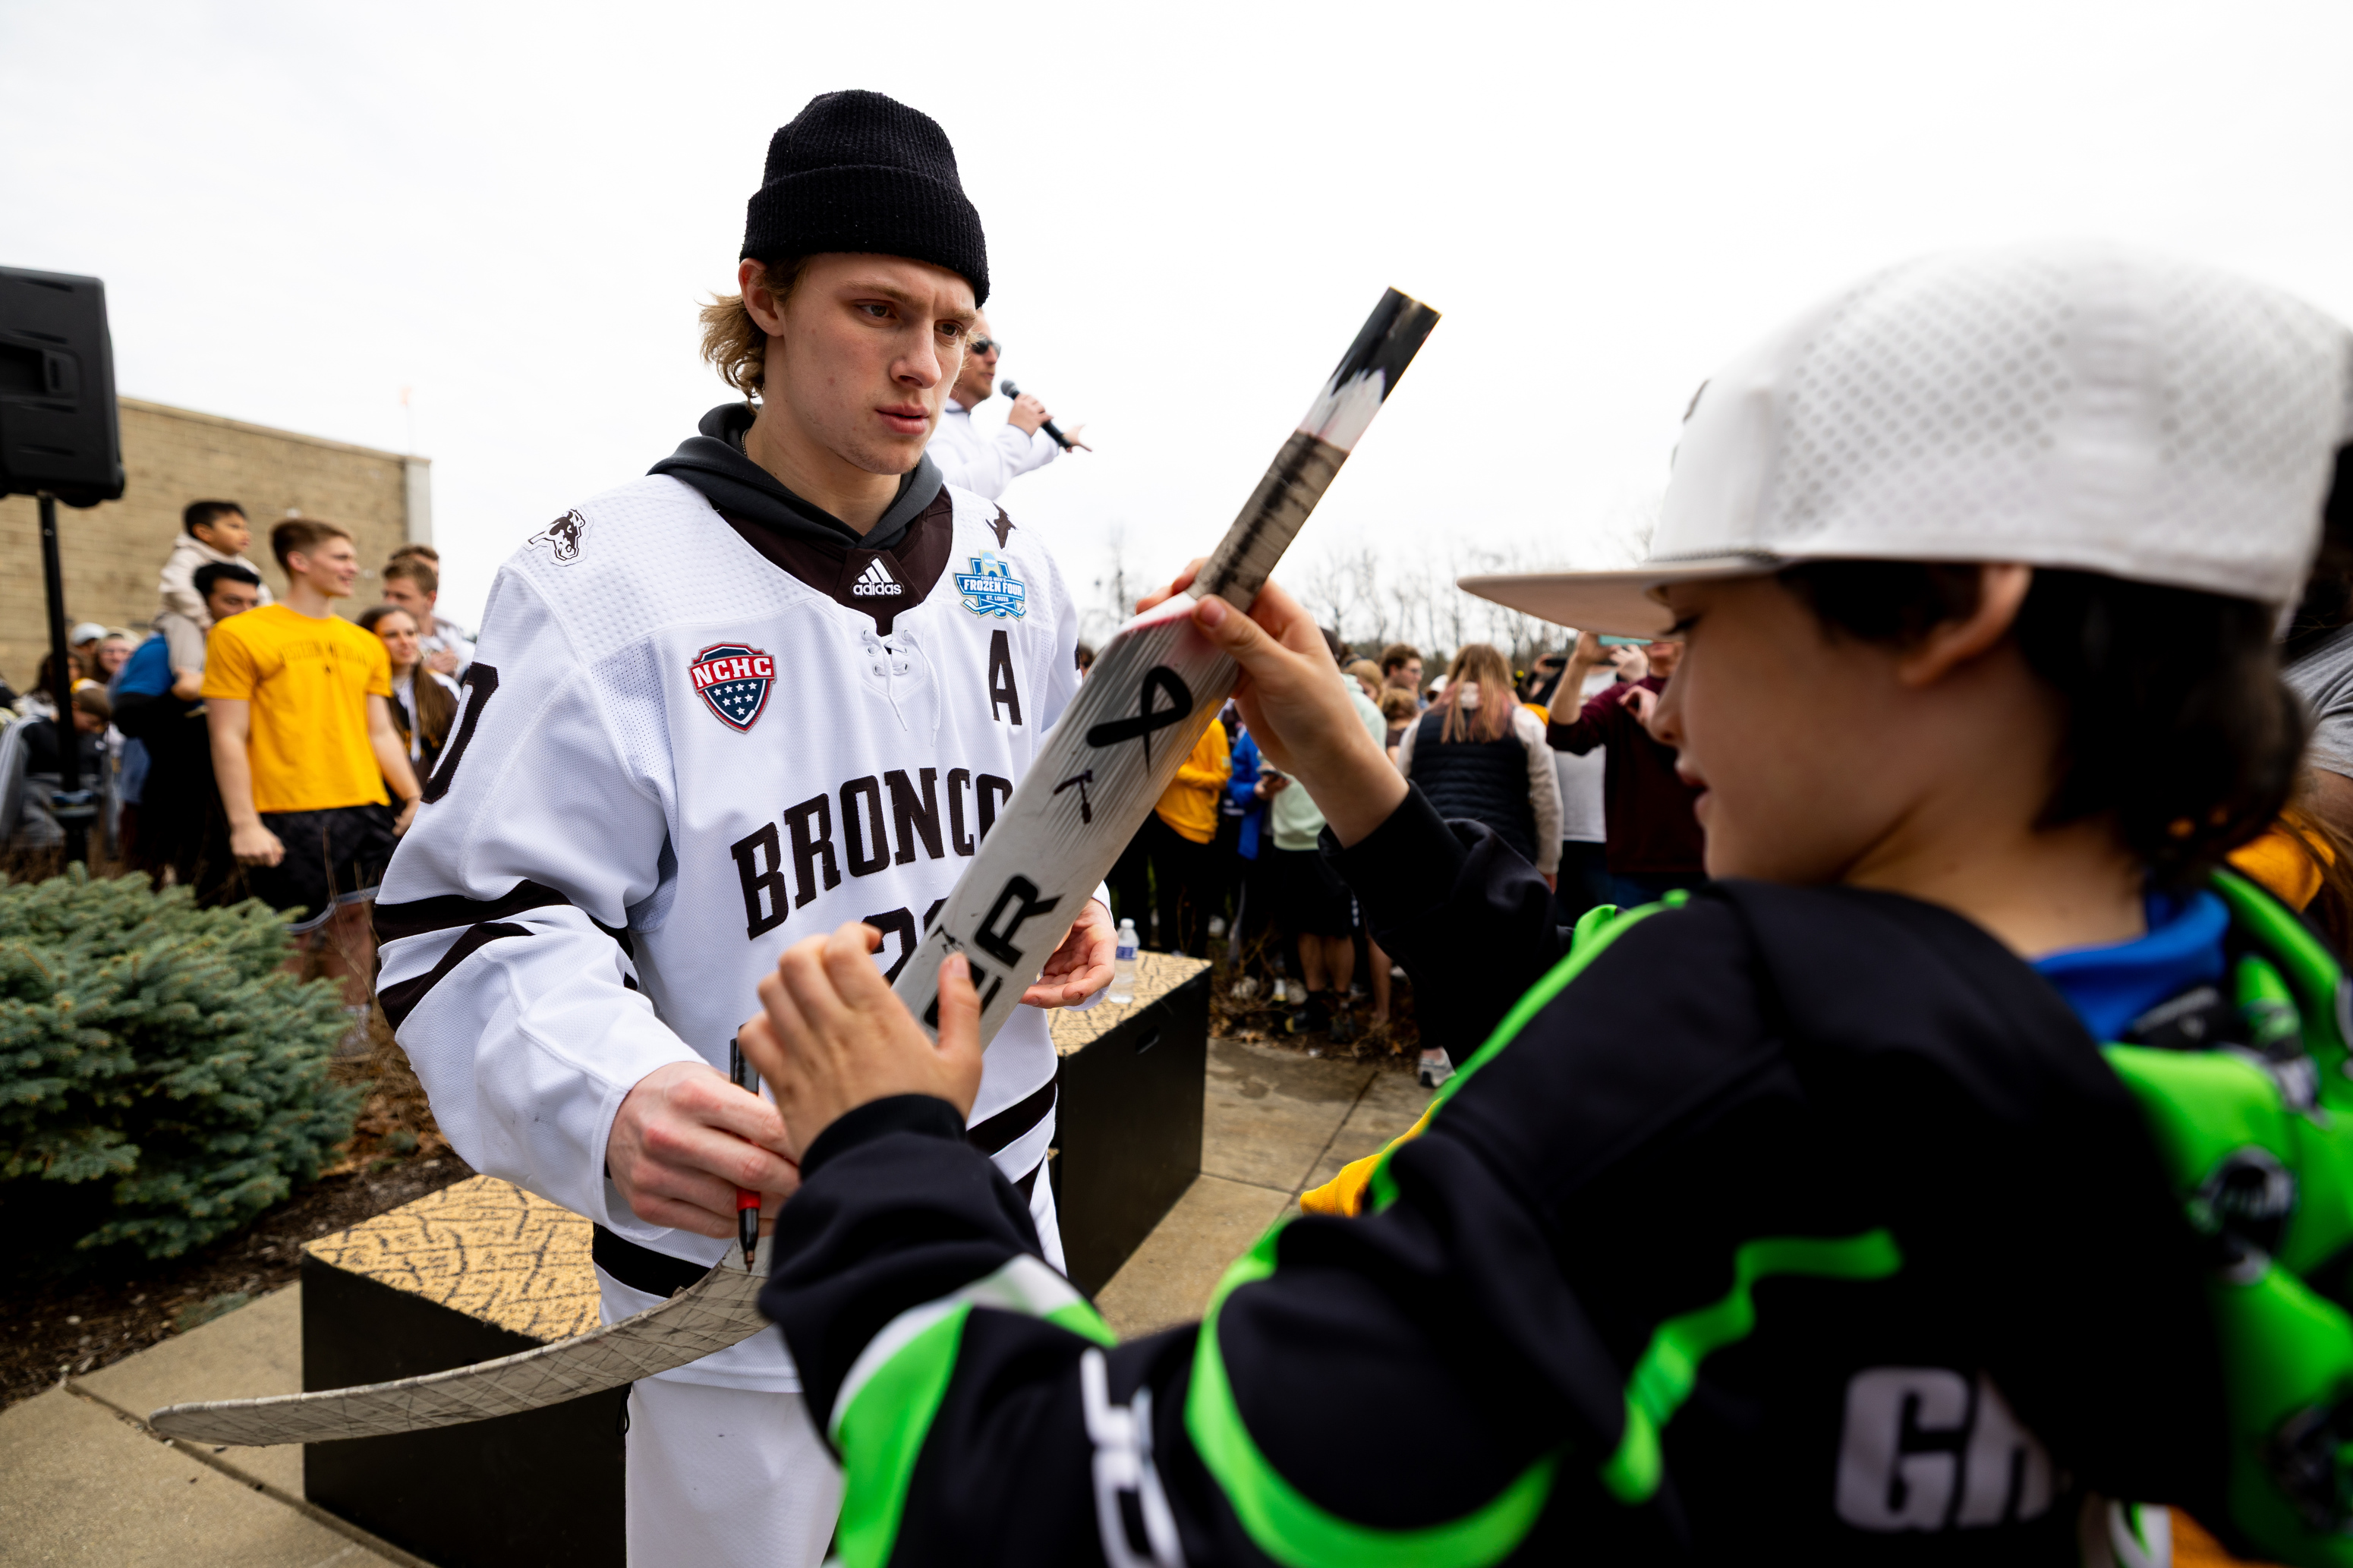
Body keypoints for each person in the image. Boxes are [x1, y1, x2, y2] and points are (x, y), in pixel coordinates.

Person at [724, 241, 2353, 1567]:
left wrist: (884, 1165)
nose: (1649, 698)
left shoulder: (1708, 1054)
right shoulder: (2240, 1002)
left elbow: (1056, 1510)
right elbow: (1615, 1015)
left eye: (1693, 623)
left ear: (1941, 607)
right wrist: (1351, 766)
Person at [370, 90, 1113, 1568]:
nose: (927, 365)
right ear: (762, 297)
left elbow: (1053, 809)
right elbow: (468, 919)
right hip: (742, 1273)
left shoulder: (1017, 571)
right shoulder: (605, 581)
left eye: (956, 327)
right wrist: (612, 1091)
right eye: (879, 309)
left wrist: (1080, 910)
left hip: (996, 1220)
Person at [205, 518, 421, 1038]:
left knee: (354, 924)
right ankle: (281, 1043)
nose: (353, 568)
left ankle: (349, 1038)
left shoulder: (364, 643)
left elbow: (380, 731)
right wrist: (244, 823)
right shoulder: (240, 634)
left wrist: (414, 795)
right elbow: (227, 736)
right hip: (284, 810)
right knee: (289, 935)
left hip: (364, 806)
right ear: (299, 561)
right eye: (342, 557)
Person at [1264, 630, 1386, 1042]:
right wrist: (1267, 785)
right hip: (1289, 836)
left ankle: (1343, 1006)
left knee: (1337, 929)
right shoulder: (1282, 697)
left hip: (1335, 836)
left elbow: (1374, 773)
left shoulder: (1364, 709)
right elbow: (1270, 768)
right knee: (1304, 927)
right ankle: (1315, 1004)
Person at [113, 562, 259, 892]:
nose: (245, 612)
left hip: (252, 798)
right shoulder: (163, 650)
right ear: (201, 603)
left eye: (252, 603)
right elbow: (129, 719)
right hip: (185, 806)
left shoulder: (252, 648)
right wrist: (180, 694)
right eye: (232, 602)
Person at [1550, 631, 1706, 905]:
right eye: (1649, 626)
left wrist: (1658, 718)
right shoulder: (1619, 697)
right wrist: (1579, 661)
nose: (1657, 633)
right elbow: (1564, 735)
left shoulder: (1711, 692)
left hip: (1707, 861)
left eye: (1666, 626)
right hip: (1636, 869)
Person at [924, 310, 1087, 499]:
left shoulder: (958, 423)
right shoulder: (925, 418)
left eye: (996, 348)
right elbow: (953, 496)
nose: (993, 358)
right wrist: (1017, 431)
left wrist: (1057, 439)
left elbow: (1002, 464)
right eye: (981, 345)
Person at [1114, 711, 1231, 957]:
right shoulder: (1166, 724)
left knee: (1196, 898)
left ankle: (1194, 957)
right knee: (1167, 894)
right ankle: (1169, 949)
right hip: (1162, 820)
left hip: (1197, 826)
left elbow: (1222, 777)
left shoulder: (1213, 728)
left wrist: (1176, 771)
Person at [156, 501, 273, 675]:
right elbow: (177, 589)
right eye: (235, 527)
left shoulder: (244, 566)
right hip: (187, 617)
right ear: (204, 532)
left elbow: (264, 598)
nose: (245, 534)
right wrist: (204, 621)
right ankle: (189, 675)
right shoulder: (187, 556)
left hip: (225, 623)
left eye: (245, 528)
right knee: (185, 625)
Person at [357, 603, 461, 779]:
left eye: (411, 633)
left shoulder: (441, 690)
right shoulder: (360, 693)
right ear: (369, 640)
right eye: (392, 635)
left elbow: (460, 753)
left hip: (433, 800)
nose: (405, 642)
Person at [380, 554, 474, 678]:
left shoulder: (467, 652)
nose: (389, 603)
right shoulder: (376, 640)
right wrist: (425, 674)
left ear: (430, 599)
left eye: (401, 597)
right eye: (386, 595)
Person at [1379, 641, 1424, 705]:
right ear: (1394, 670)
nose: (1419, 678)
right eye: (1414, 671)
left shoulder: (1418, 699)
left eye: (1419, 672)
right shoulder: (1374, 698)